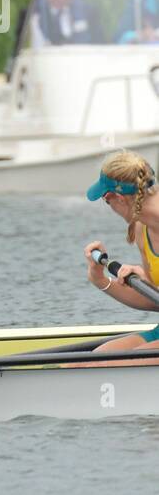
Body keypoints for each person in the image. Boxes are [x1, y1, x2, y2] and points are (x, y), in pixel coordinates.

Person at [83, 150, 159, 365]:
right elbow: (155, 301)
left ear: (114, 197)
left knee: (108, 367)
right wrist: (101, 280)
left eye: (106, 202)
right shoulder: (142, 229)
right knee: (81, 366)